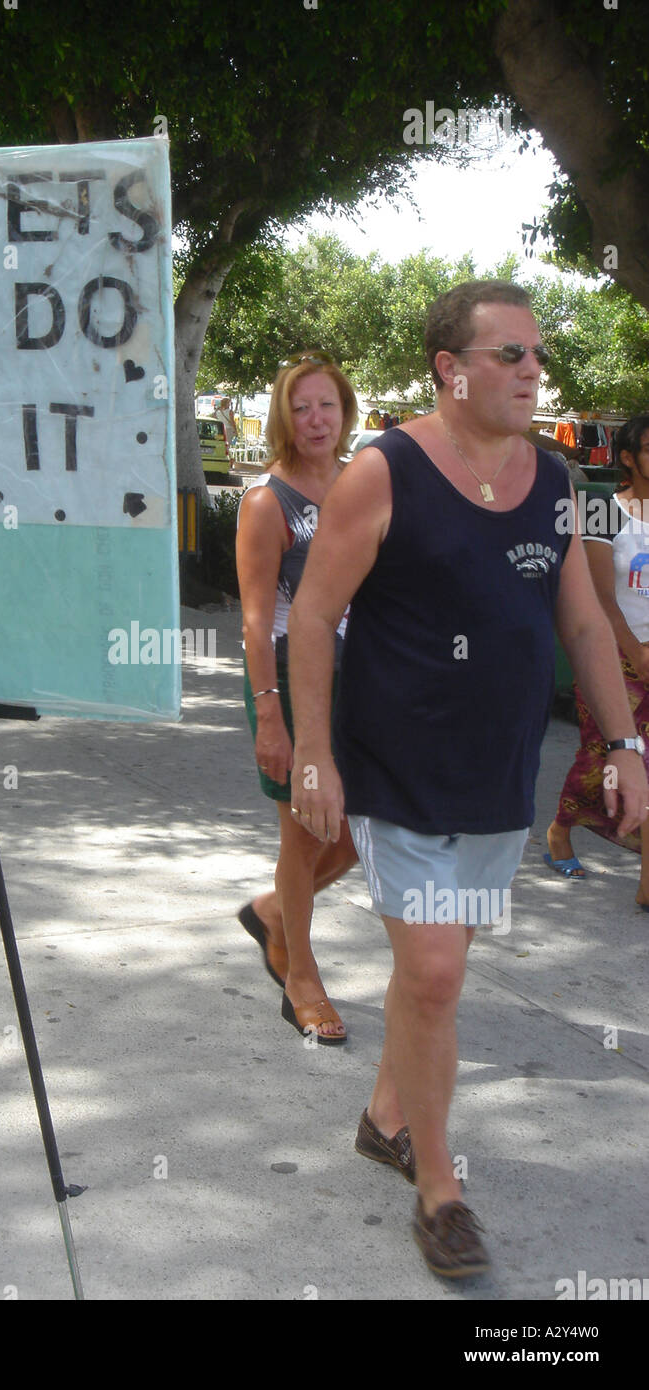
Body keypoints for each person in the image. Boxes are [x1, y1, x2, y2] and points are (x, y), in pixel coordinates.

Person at [286, 281, 648, 1277]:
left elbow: (579, 619)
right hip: (395, 763)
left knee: (436, 970)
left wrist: (625, 747)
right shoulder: (382, 470)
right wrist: (311, 750)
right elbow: (312, 615)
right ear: (451, 370)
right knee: (437, 974)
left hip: (497, 770)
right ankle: (438, 1185)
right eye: (510, 356)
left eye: (535, 355)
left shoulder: (553, 477)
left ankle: (382, 1114)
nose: (533, 370)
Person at [235, 352, 358, 1042]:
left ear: (347, 412)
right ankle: (302, 977)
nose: (315, 419)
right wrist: (271, 717)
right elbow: (255, 619)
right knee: (305, 829)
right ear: (284, 415)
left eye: (327, 405)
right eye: (301, 406)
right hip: (289, 683)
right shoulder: (266, 501)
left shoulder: (361, 484)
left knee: (363, 829)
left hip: (363, 686)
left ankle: (276, 911)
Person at [545, 413, 649, 903]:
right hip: (612, 658)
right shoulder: (604, 512)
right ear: (627, 457)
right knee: (600, 754)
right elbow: (602, 603)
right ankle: (560, 829)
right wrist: (638, 655)